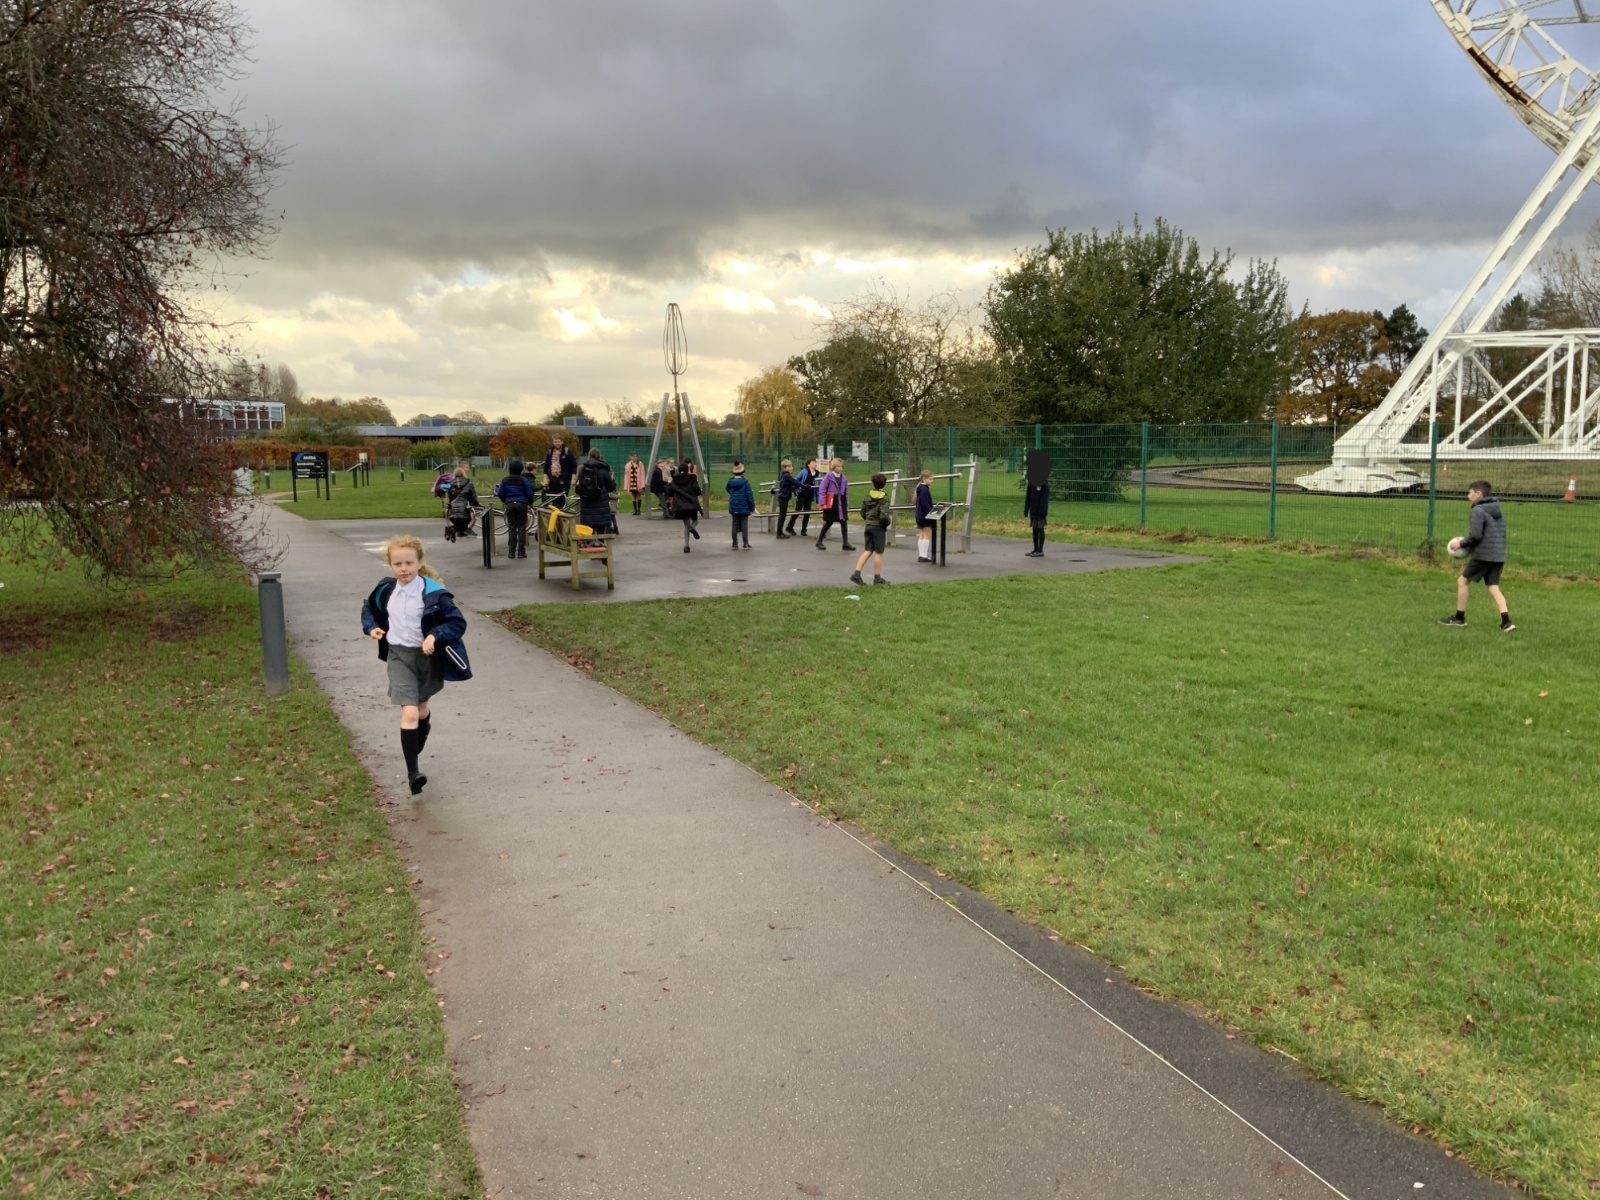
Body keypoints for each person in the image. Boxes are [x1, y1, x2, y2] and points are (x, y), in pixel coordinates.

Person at [361, 535, 467, 796]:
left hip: (427, 658)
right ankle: (413, 774)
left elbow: (456, 622)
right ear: (390, 565)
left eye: (409, 563)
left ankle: (423, 727)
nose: (404, 568)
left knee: (419, 710)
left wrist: (434, 635)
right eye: (398, 564)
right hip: (399, 656)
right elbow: (368, 608)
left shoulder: (433, 594)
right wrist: (371, 627)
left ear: (419, 562)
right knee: (408, 713)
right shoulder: (386, 590)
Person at [1441, 480, 1514, 631]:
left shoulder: (1477, 510)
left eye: (1470, 493)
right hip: (1498, 555)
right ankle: (1506, 622)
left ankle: (1459, 618)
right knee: (1493, 587)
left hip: (1483, 555)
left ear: (1478, 494)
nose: (1468, 496)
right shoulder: (1496, 509)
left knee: (1462, 581)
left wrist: (1461, 544)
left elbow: (1476, 535)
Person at [850, 473, 892, 586]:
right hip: (878, 528)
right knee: (879, 553)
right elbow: (884, 516)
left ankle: (856, 573)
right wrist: (887, 523)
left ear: (873, 483)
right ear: (884, 484)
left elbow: (862, 512)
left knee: (868, 550)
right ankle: (877, 578)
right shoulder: (884, 499)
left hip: (868, 526)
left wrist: (868, 520)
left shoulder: (867, 496)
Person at [493, 458, 536, 559]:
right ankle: (521, 552)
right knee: (521, 528)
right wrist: (530, 502)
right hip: (522, 504)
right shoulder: (524, 480)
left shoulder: (505, 480)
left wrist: (506, 500)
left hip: (510, 504)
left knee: (511, 528)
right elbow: (529, 493)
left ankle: (511, 552)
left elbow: (500, 493)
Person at [815, 457, 854, 551]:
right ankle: (819, 541)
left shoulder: (843, 478)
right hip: (832, 501)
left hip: (841, 501)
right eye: (838, 466)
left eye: (841, 466)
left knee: (844, 521)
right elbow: (822, 490)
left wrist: (846, 504)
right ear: (833, 467)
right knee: (829, 521)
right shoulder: (828, 477)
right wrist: (822, 503)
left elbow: (846, 491)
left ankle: (845, 543)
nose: (840, 468)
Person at [576, 447, 617, 534]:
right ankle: (600, 541)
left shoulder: (582, 469)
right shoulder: (603, 470)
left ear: (589, 456)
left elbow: (578, 488)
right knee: (600, 531)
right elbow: (611, 487)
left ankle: (589, 541)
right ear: (599, 456)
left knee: (588, 531)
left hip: (586, 504)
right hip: (601, 504)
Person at [669, 458, 702, 552]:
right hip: (691, 503)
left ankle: (686, 545)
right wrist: (697, 492)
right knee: (695, 520)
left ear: (679, 470)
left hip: (680, 505)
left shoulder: (675, 480)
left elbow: (670, 492)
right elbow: (697, 490)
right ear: (687, 470)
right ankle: (693, 527)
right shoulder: (692, 478)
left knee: (686, 524)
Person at [444, 464, 479, 541]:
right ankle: (452, 529)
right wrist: (476, 504)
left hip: (453, 510)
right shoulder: (469, 484)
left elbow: (450, 498)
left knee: (458, 524)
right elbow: (473, 497)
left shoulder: (451, 485)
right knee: (463, 526)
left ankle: (451, 529)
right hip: (464, 509)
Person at [726, 461, 755, 550]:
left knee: (734, 525)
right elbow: (749, 496)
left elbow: (727, 489)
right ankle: (745, 543)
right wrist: (752, 507)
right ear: (743, 472)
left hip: (734, 506)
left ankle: (734, 544)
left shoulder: (730, 482)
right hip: (744, 507)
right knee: (744, 525)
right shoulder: (745, 483)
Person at [787, 457, 817, 537]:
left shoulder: (817, 474)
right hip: (802, 495)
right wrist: (798, 488)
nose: (815, 463)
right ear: (808, 464)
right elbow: (796, 480)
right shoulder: (804, 472)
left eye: (815, 462)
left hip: (810, 496)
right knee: (797, 511)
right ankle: (789, 527)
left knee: (807, 514)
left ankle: (804, 530)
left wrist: (817, 498)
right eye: (813, 462)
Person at [542, 435, 578, 502]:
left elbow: (574, 465)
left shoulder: (567, 452)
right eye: (555, 442)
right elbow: (546, 466)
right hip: (552, 478)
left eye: (558, 441)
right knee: (552, 497)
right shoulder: (550, 452)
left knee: (563, 497)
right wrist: (545, 478)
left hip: (564, 478)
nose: (557, 443)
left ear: (562, 442)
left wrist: (573, 478)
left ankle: (563, 507)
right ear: (553, 442)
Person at [1024, 472, 1050, 558]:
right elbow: (1028, 496)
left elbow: (1044, 499)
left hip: (1040, 511)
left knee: (1040, 529)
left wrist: (1042, 511)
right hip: (1033, 510)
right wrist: (1026, 508)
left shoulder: (1043, 483)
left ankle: (1040, 550)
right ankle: (1035, 549)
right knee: (1034, 529)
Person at [914, 469, 936, 563]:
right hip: (925, 515)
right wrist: (932, 514)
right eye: (930, 479)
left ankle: (921, 554)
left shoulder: (919, 488)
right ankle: (924, 555)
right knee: (926, 534)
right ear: (924, 478)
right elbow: (926, 504)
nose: (932, 481)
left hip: (919, 514)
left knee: (922, 534)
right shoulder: (924, 490)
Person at [774, 459, 798, 539]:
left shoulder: (784, 475)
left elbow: (788, 485)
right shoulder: (787, 476)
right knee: (782, 516)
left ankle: (780, 532)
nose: (792, 468)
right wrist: (804, 486)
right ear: (785, 467)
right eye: (790, 466)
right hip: (783, 497)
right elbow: (795, 482)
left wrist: (793, 488)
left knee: (782, 515)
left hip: (784, 497)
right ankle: (779, 533)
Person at [623, 451, 647, 516]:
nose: (635, 458)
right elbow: (626, 476)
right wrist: (626, 485)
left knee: (638, 495)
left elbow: (642, 474)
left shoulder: (640, 464)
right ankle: (635, 510)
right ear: (630, 457)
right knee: (633, 495)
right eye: (633, 456)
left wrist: (642, 484)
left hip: (638, 482)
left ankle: (638, 510)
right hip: (632, 482)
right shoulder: (628, 465)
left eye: (636, 456)